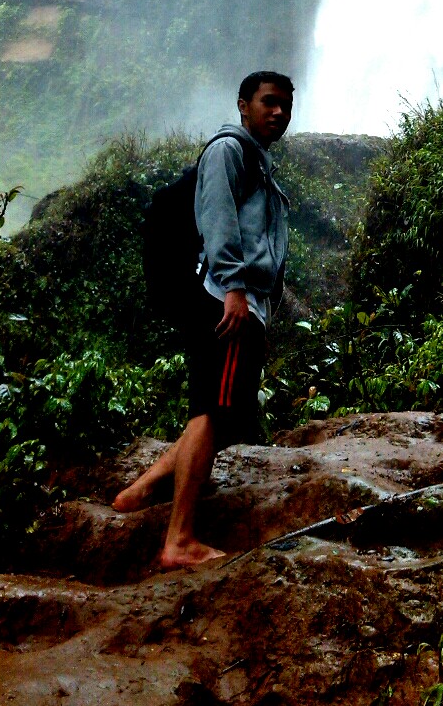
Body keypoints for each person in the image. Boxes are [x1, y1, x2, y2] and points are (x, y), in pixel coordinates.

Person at [113, 70, 293, 568]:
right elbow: (217, 215)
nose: (278, 112)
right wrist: (234, 288)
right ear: (243, 105)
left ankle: (140, 491)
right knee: (215, 413)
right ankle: (179, 538)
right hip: (225, 298)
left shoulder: (256, 161)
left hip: (238, 301)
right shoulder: (229, 151)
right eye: (268, 102)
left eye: (285, 105)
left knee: (226, 416)